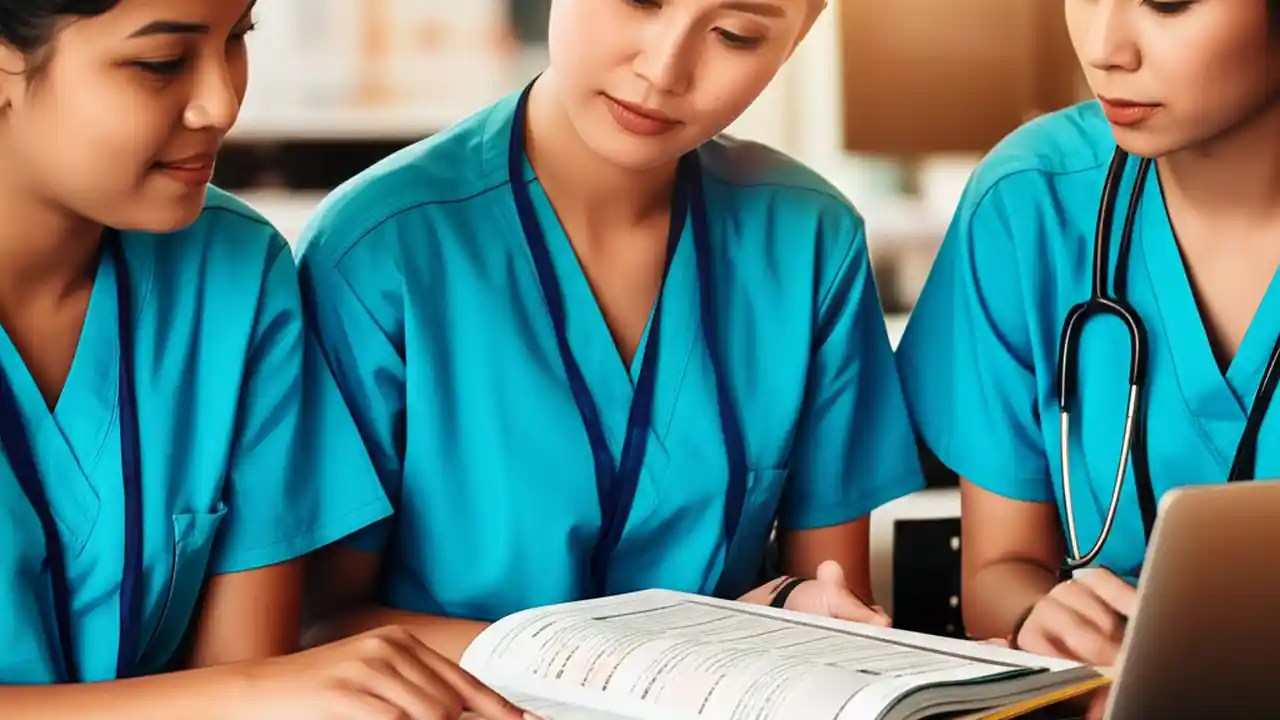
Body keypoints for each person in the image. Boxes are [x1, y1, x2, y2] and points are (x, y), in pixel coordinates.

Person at [300, 0, 923, 661]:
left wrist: (804, 610)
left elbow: (831, 602)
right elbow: (314, 630)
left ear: (797, 42)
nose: (664, 69)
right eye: (640, 0)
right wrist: (610, 666)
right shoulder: (376, 251)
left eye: (735, 36)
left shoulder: (809, 240)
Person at [0, 1, 529, 718]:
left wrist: (265, 688)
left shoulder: (238, 272)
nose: (221, 103)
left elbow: (251, 675)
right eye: (159, 64)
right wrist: (258, 691)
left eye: (238, 39)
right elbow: (254, 692)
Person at [898, 0, 1280, 670]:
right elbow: (999, 572)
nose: (1105, 48)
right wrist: (1041, 618)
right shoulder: (1028, 203)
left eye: (1166, 3)